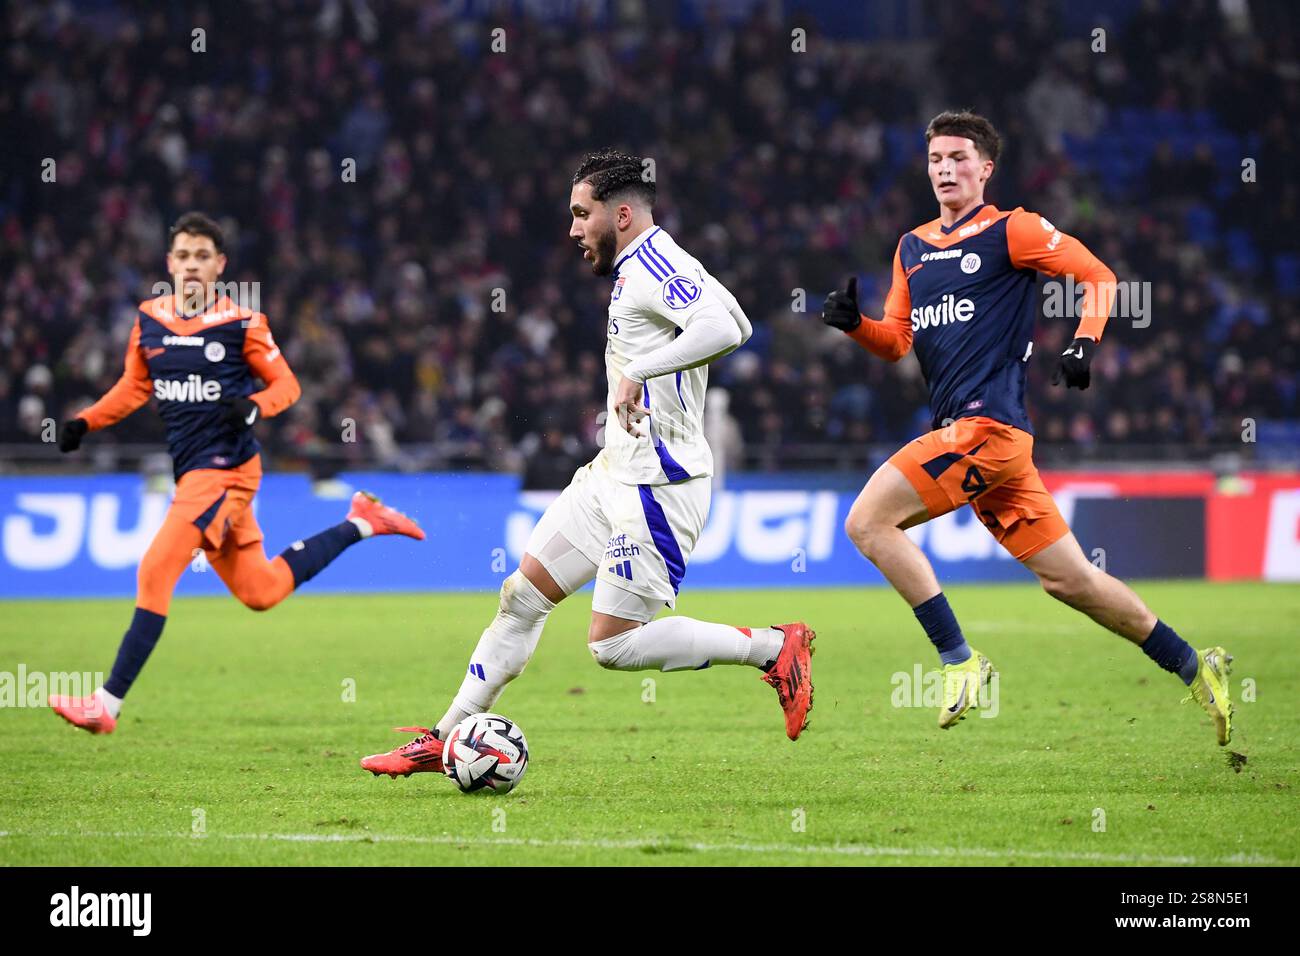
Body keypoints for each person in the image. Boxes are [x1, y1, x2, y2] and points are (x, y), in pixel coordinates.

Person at [361, 149, 814, 779]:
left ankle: (773, 648)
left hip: (661, 484)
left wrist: (640, 369)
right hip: (613, 473)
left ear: (621, 213)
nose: (573, 230)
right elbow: (723, 318)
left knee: (612, 645)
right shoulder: (640, 266)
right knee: (521, 597)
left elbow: (728, 327)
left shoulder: (655, 262)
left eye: (582, 214)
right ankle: (444, 738)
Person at [821, 112, 1233, 743]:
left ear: (985, 168)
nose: (944, 170)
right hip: (986, 447)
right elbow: (897, 343)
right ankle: (1193, 664)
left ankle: (960, 662)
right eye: (935, 160)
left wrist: (1084, 342)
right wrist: (855, 325)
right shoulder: (911, 247)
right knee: (1071, 580)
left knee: (866, 523)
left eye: (958, 158)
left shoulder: (1012, 230)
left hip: (987, 431)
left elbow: (1099, 277)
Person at [50, 212, 425, 735]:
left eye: (203, 256)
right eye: (183, 255)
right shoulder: (149, 320)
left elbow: (286, 387)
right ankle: (363, 521)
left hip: (226, 472)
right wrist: (85, 421)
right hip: (195, 477)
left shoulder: (242, 323)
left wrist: (252, 407)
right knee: (260, 590)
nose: (192, 265)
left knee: (156, 569)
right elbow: (135, 388)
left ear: (220, 265)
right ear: (169, 263)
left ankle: (106, 704)